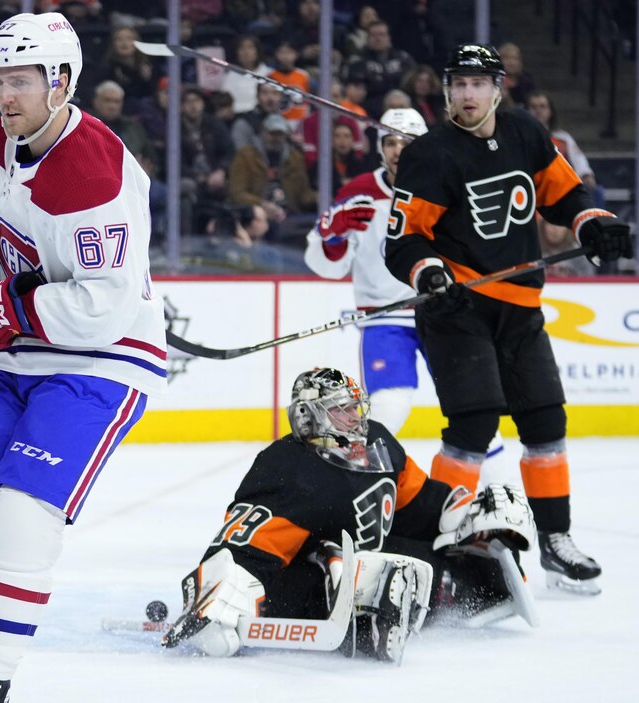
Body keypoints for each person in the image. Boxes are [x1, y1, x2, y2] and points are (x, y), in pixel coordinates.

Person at [0, 12, 166, 702]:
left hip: (97, 361)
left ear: (62, 81)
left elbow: (101, 305)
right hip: (17, 359)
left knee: (21, 518)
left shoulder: (94, 170)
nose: (4, 95)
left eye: (19, 80)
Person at [385, 44, 633, 596]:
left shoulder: (525, 133)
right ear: (446, 89)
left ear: (499, 88)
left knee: (546, 425)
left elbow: (566, 195)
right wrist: (428, 274)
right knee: (473, 428)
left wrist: (593, 221)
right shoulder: (429, 155)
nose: (467, 94)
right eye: (458, 84)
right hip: (458, 309)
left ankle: (555, 541)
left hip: (520, 309)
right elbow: (403, 241)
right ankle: (433, 547)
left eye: (478, 84)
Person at [163, 368, 537, 663]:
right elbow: (244, 545)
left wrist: (468, 516)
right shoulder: (288, 467)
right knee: (339, 565)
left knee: (446, 558)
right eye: (341, 409)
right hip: (306, 584)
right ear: (309, 417)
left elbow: (419, 503)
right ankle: (364, 614)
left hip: (368, 552)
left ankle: (454, 591)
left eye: (355, 406)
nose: (355, 417)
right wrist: (218, 600)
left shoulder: (379, 441)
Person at [303, 108, 428, 433]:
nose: (398, 149)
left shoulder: (443, 188)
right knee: (390, 404)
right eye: (390, 142)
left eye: (407, 141)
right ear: (379, 148)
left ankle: (499, 483)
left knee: (471, 409)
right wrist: (332, 238)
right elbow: (330, 268)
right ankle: (365, 480)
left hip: (442, 312)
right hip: (384, 316)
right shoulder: (359, 191)